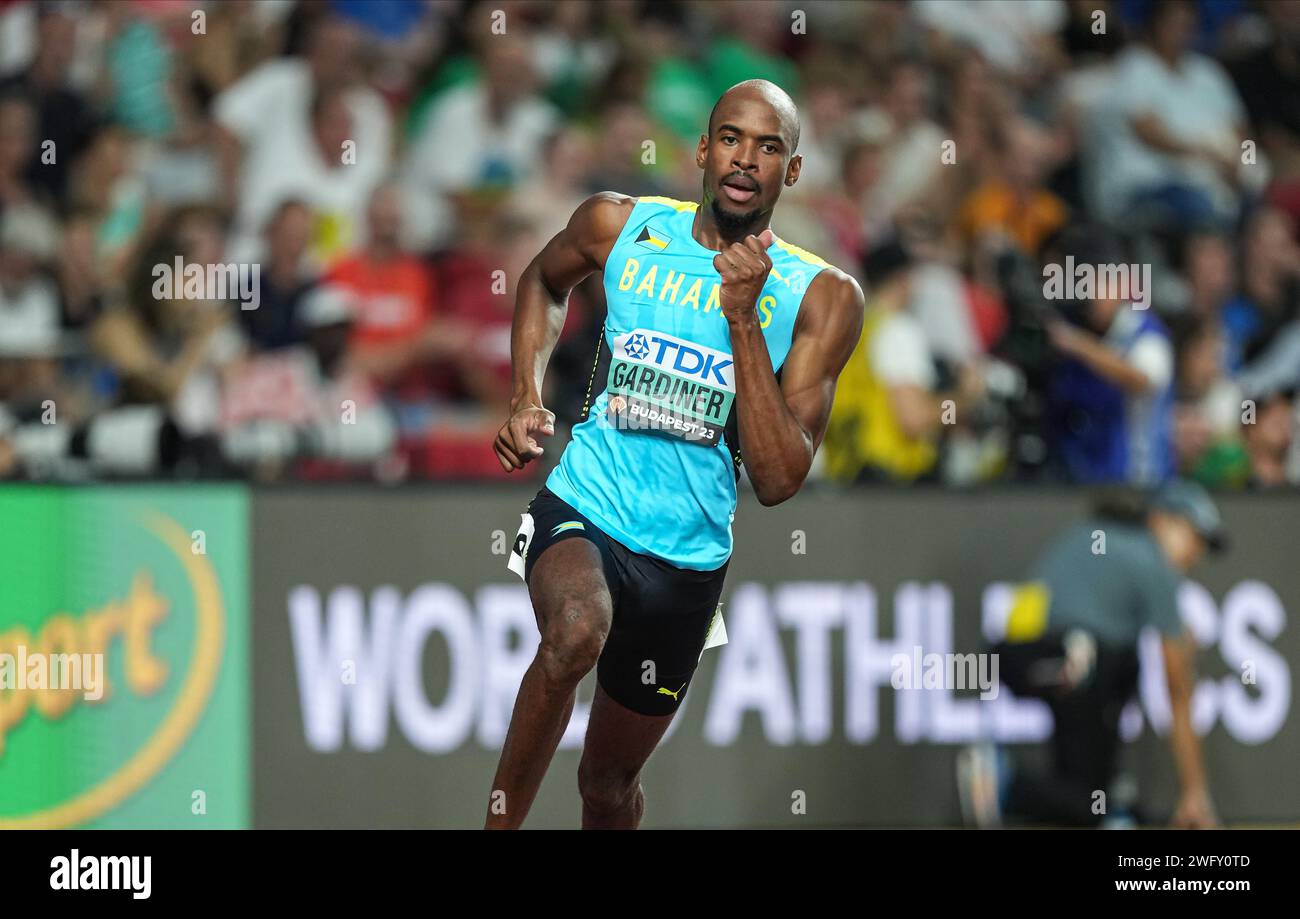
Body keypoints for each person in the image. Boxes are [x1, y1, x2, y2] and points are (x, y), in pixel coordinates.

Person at [487, 79, 864, 829]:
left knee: (607, 783)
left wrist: (744, 320)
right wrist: (527, 392)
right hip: (588, 501)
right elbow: (541, 280)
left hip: (686, 560)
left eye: (768, 147)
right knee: (573, 632)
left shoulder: (820, 296)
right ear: (701, 148)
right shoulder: (619, 225)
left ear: (791, 172)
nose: (745, 158)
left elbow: (781, 475)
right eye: (731, 137)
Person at [958, 479, 1226, 829]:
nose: (1198, 555)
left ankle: (1101, 800)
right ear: (1163, 520)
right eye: (1196, 538)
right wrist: (1195, 791)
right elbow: (1178, 688)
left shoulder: (1096, 535)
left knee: (1087, 791)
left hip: (1013, 656)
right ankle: (1004, 784)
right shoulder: (1152, 564)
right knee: (1106, 669)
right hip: (1067, 658)